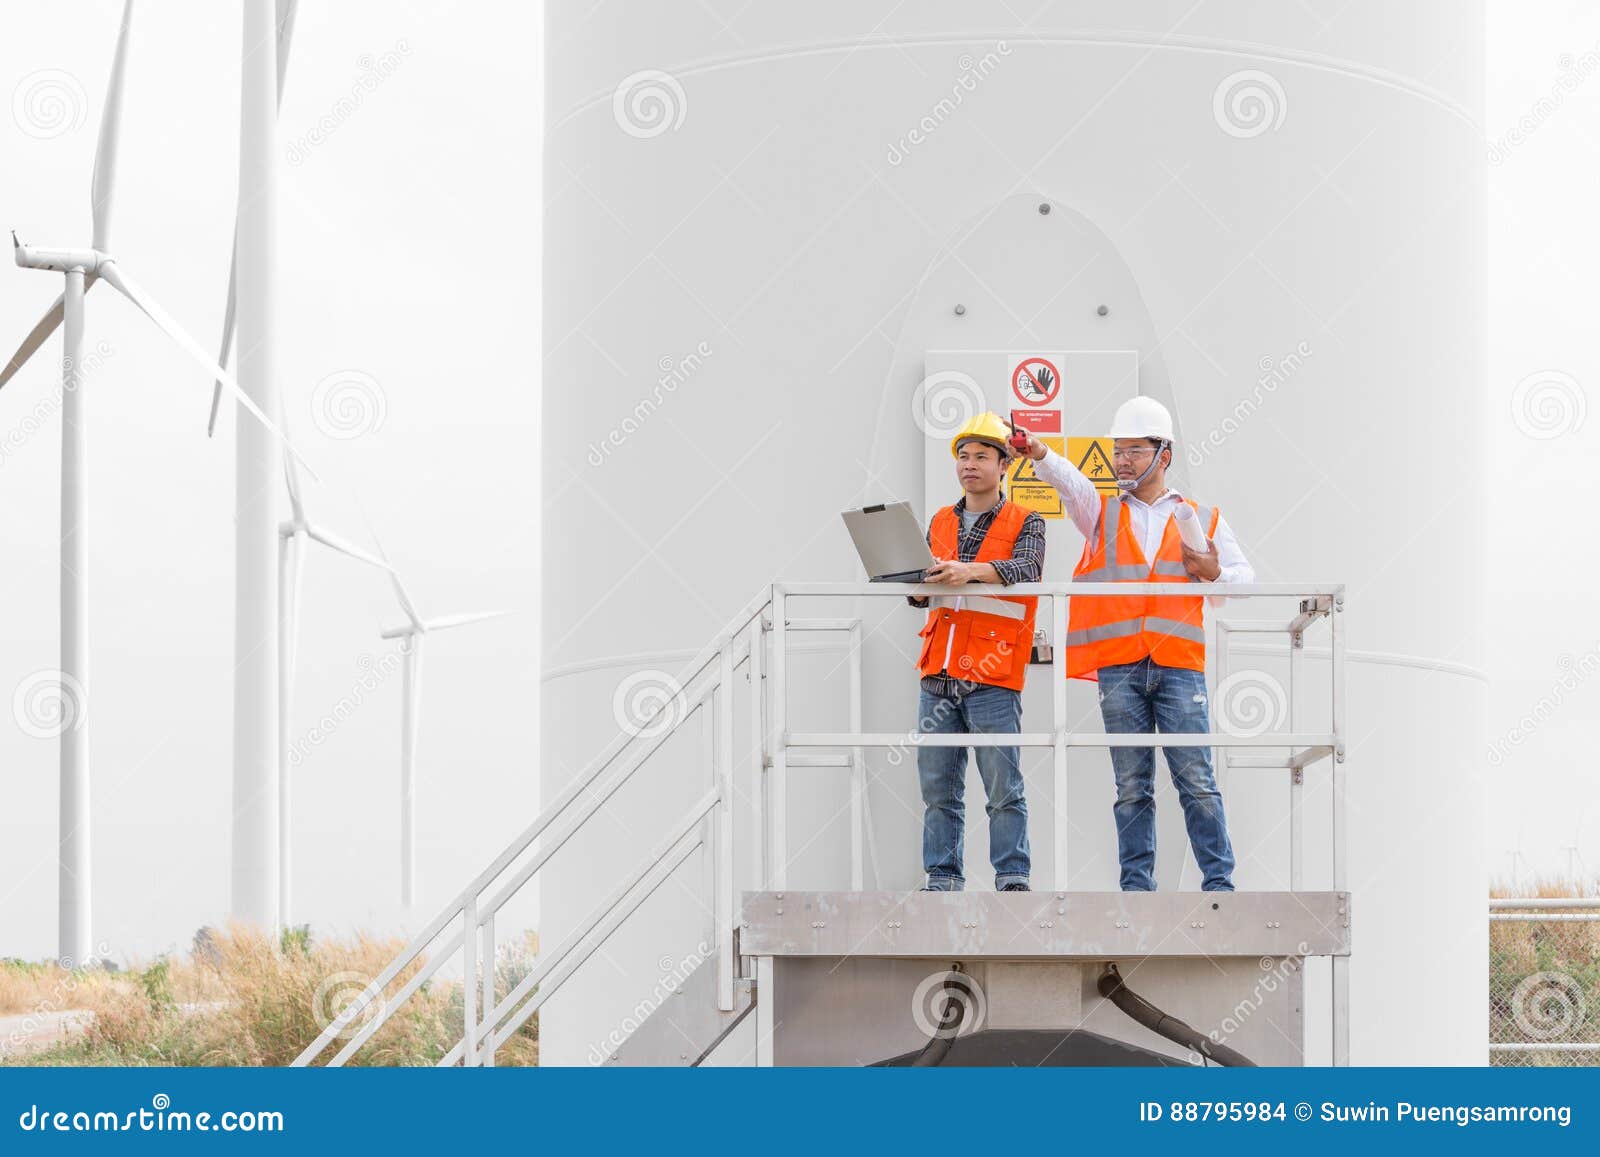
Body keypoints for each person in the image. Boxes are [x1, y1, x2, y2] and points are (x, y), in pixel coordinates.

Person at [1016, 398, 1253, 892]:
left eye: (1134, 450)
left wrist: (1215, 573)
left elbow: (1243, 581)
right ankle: (1137, 889)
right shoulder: (1097, 512)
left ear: (1163, 455)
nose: (1122, 460)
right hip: (1119, 668)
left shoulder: (1201, 517)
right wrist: (1038, 451)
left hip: (1178, 665)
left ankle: (1219, 884)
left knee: (1197, 779)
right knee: (1130, 786)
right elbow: (1071, 482)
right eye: (1118, 450)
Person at [908, 412, 1046, 892]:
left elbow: (1028, 567)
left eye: (982, 456)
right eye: (964, 457)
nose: (970, 465)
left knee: (1003, 789)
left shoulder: (1027, 520)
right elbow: (920, 595)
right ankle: (942, 880)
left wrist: (970, 571)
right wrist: (916, 585)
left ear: (1004, 464)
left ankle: (1012, 878)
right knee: (937, 791)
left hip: (991, 673)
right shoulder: (940, 521)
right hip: (938, 670)